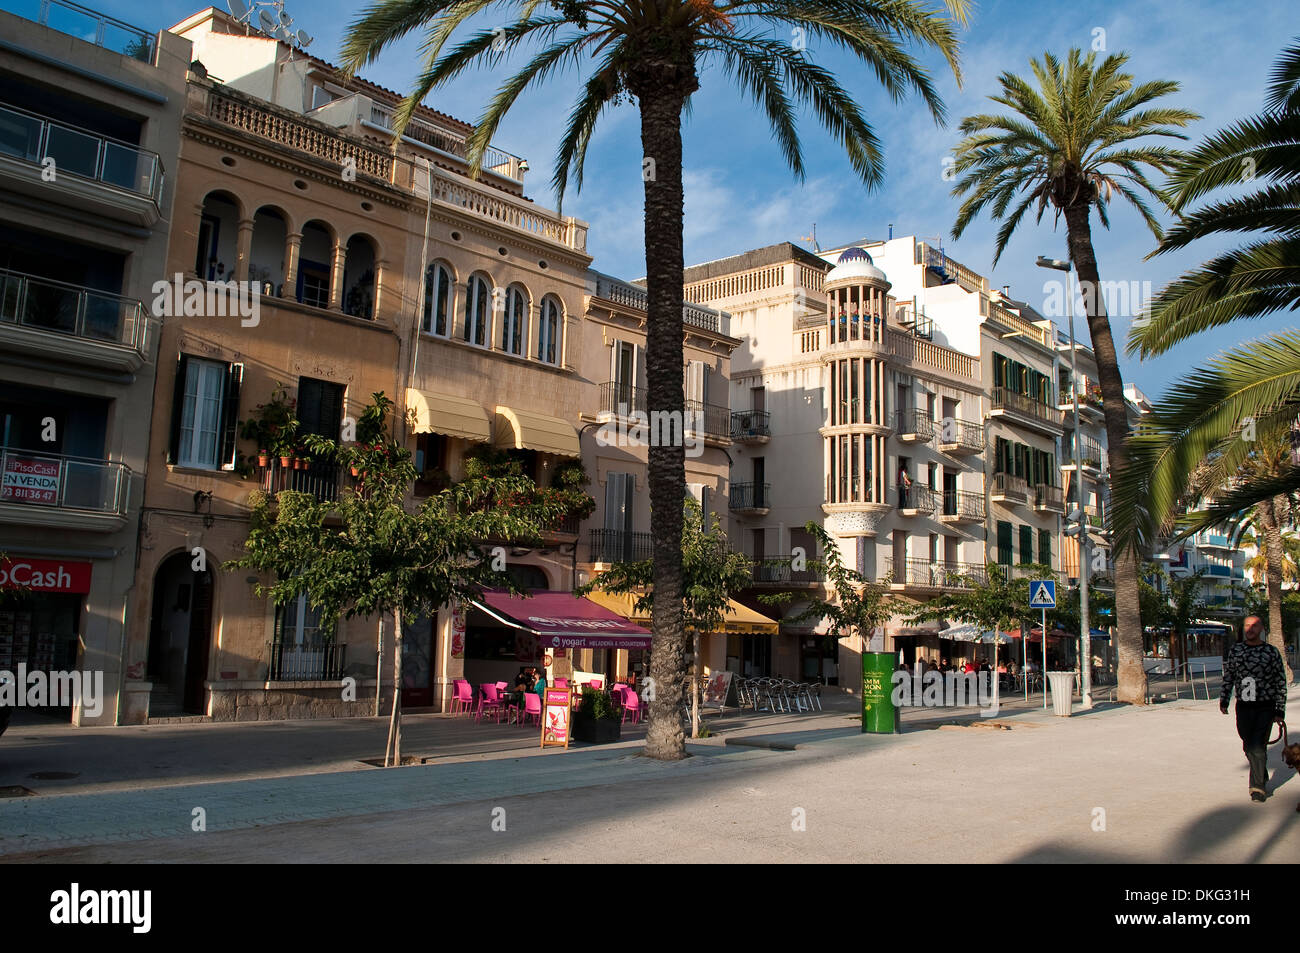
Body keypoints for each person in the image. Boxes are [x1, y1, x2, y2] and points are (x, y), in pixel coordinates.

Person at [1220, 615, 1287, 802]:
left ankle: (1257, 786)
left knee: (1257, 746)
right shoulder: (1236, 650)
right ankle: (1261, 773)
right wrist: (1224, 699)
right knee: (1248, 745)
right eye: (1247, 625)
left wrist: (1279, 710)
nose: (1250, 629)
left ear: (1262, 629)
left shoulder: (1271, 652)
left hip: (1265, 706)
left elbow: (1280, 682)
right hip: (1243, 707)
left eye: (1255, 626)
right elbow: (1229, 676)